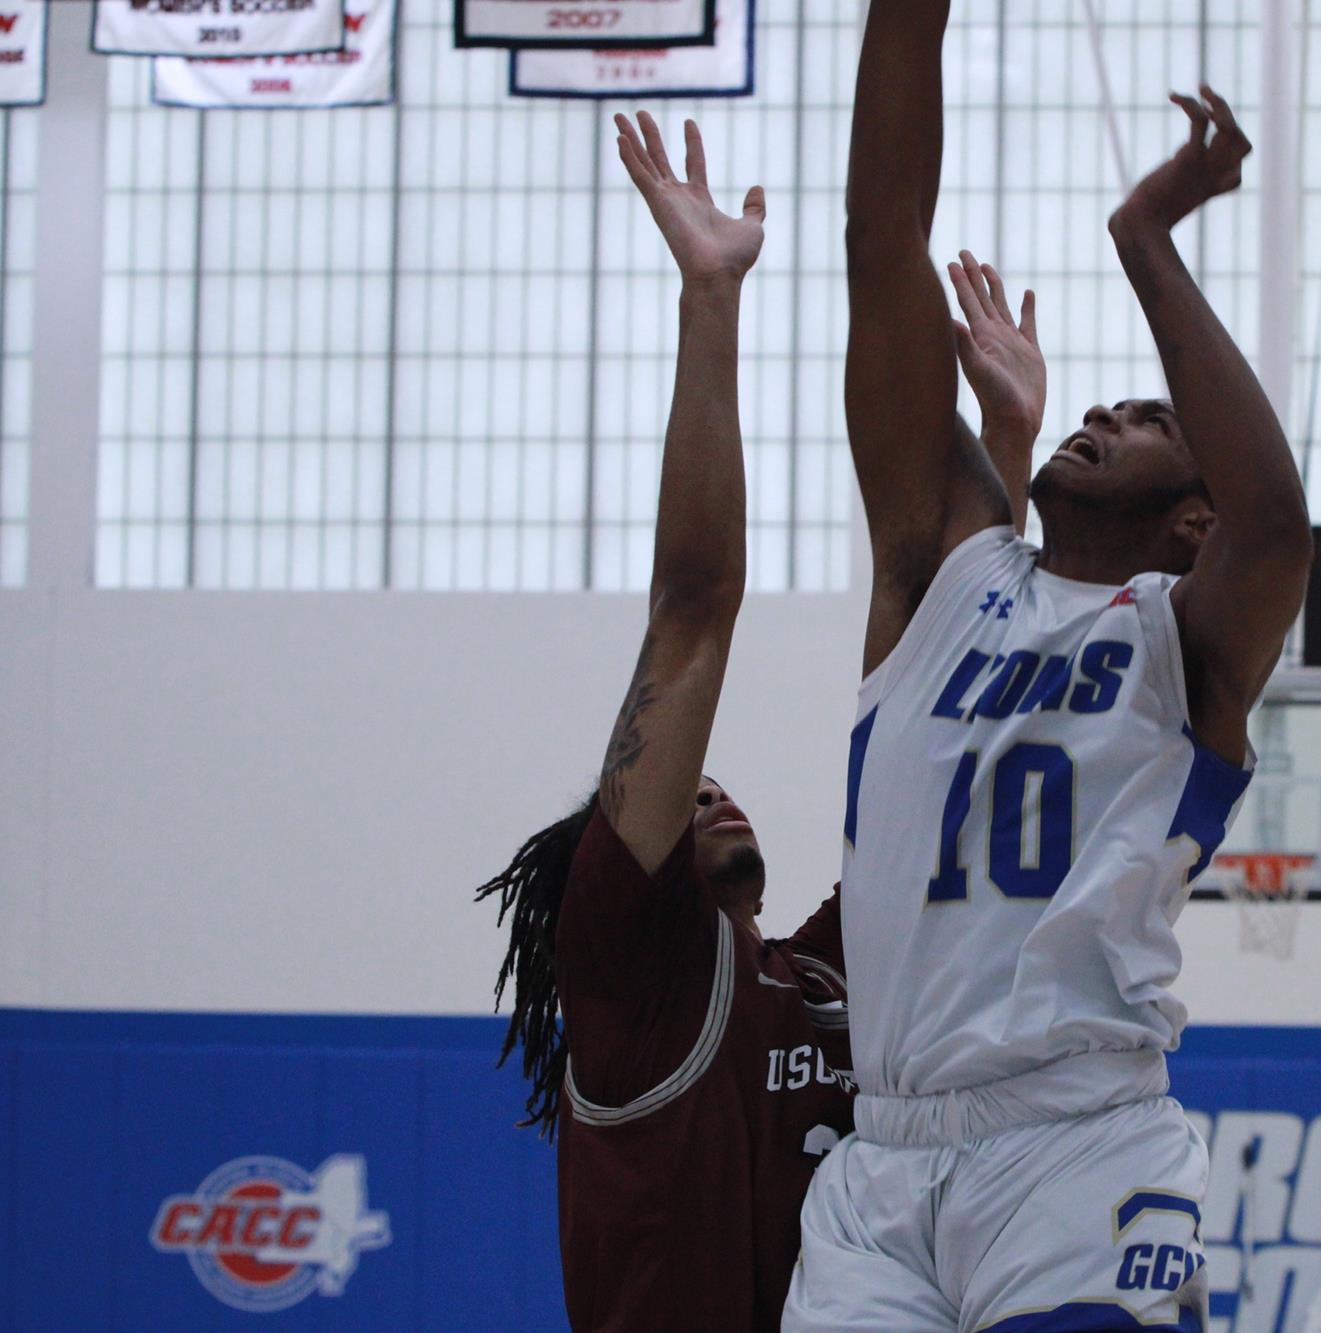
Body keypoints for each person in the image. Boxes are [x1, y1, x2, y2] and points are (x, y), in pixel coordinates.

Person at [474, 110, 1047, 1332]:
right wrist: (710, 299)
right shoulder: (633, 980)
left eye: (707, 784)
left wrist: (1006, 449)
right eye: (681, 796)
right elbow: (693, 607)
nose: (707, 786)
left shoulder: (825, 970)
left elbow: (938, 708)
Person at [785, 1, 1312, 1328]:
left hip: (1080, 1143)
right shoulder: (939, 570)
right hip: (880, 1161)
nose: (1096, 412)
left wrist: (1146, 242)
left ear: (1189, 520)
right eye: (1104, 402)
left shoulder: (1184, 636)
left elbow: (1274, 520)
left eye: (1142, 420)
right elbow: (879, 242)